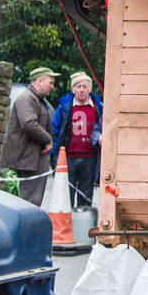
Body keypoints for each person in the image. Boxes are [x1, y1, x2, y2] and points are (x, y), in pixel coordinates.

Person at [0, 67, 58, 207]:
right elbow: (29, 123)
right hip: (26, 160)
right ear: (39, 81)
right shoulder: (27, 99)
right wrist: (48, 140)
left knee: (32, 201)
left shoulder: (36, 99)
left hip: (31, 159)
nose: (52, 87)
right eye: (50, 82)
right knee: (28, 202)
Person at [51, 71, 102, 209]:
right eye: (78, 86)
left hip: (90, 159)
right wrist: (55, 156)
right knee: (66, 196)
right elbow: (55, 132)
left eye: (85, 86)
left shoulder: (99, 108)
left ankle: (82, 226)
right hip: (69, 157)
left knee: (85, 197)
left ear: (90, 89)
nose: (81, 90)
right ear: (73, 89)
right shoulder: (64, 108)